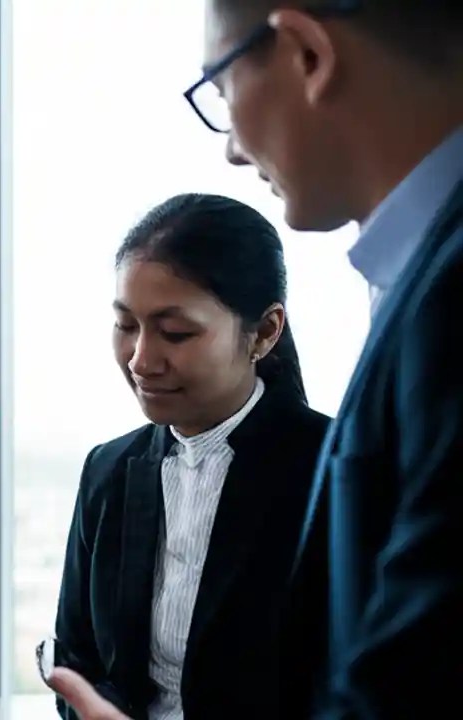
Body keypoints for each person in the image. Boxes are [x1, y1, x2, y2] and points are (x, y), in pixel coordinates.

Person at [52, 1, 463, 718]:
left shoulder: (441, 304)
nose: (233, 149)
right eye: (126, 326)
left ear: (308, 53)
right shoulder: (109, 470)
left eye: (219, 88)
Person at [52, 194, 331, 720]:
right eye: (126, 326)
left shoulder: (334, 470)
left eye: (175, 332)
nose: (140, 360)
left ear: (265, 332)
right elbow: (78, 663)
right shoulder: (109, 471)